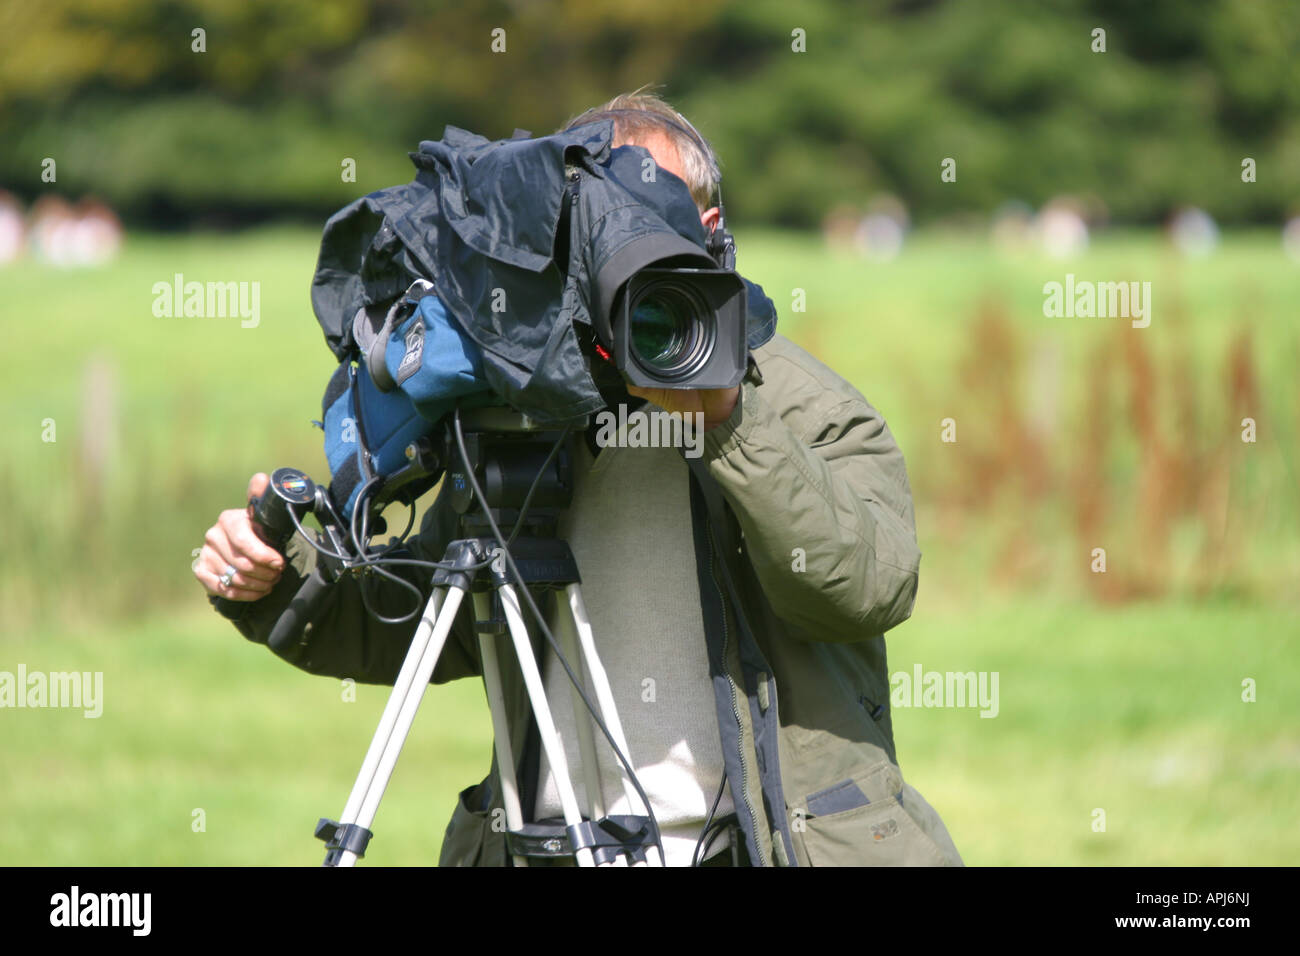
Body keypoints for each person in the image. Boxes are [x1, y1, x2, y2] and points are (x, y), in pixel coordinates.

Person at [196, 91, 963, 867]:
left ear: (710, 230)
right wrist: (280, 582)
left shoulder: (798, 404)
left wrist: (728, 421)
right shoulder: (519, 408)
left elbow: (866, 587)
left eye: (644, 212)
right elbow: (428, 617)